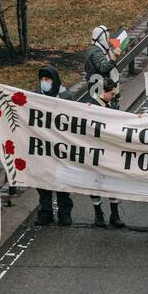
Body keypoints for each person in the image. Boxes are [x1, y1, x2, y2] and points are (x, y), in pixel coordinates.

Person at [78, 76, 125, 228]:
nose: (113, 96)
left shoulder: (110, 105)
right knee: (95, 182)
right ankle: (98, 214)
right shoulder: (90, 107)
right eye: (111, 93)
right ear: (103, 92)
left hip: (110, 151)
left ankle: (114, 214)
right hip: (95, 151)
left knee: (113, 182)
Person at [35, 65, 74, 227]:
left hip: (61, 146)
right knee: (43, 181)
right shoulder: (35, 96)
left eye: (47, 79)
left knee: (62, 180)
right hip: (42, 146)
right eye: (42, 80)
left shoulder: (67, 97)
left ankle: (64, 213)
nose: (45, 83)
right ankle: (46, 213)